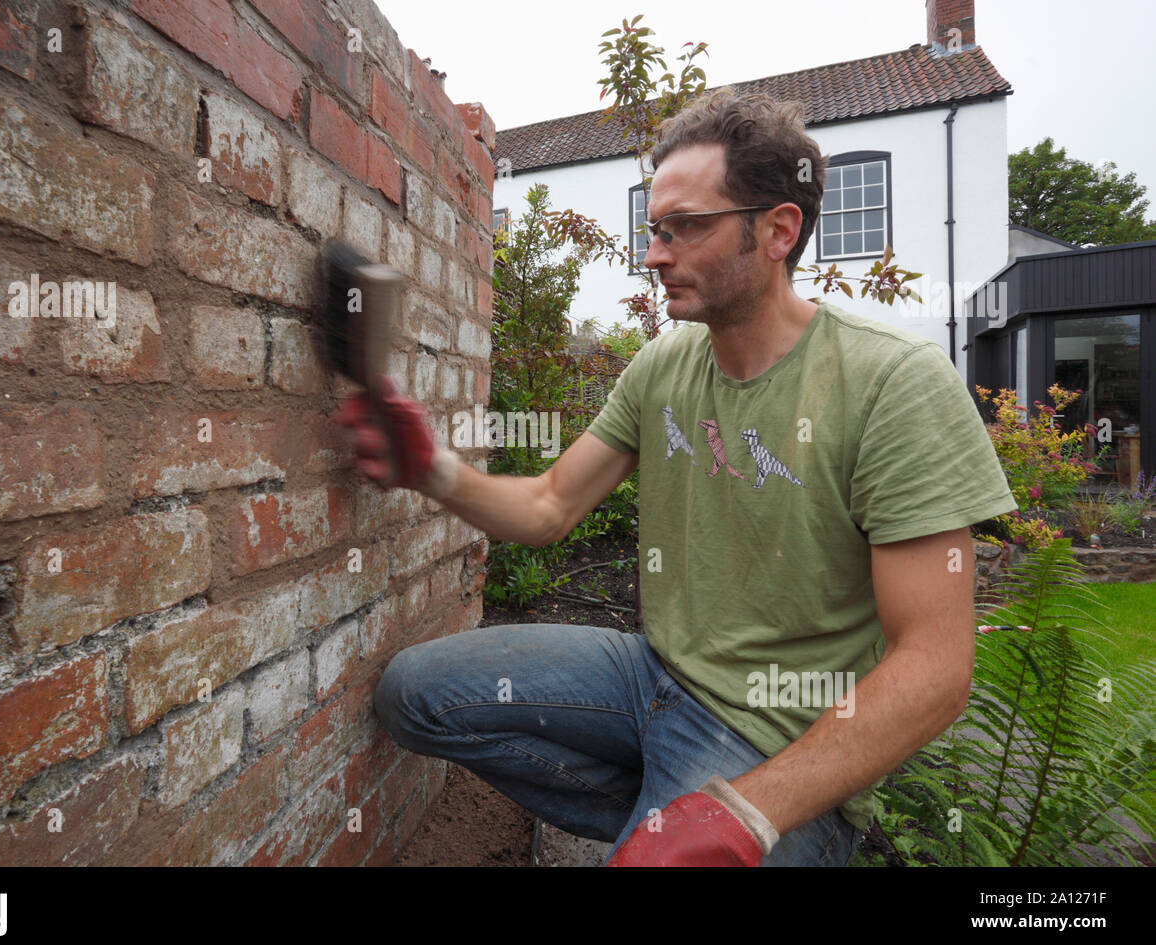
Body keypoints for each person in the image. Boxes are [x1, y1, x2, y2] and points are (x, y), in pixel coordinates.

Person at [334, 88, 1018, 866]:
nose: (655, 253)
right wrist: (430, 468)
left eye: (686, 228)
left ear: (777, 231)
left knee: (699, 838)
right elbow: (550, 504)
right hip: (652, 676)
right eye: (654, 229)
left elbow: (935, 666)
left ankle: (765, 828)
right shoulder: (667, 361)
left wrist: (746, 814)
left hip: (773, 731)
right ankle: (661, 813)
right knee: (416, 695)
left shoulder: (893, 384)